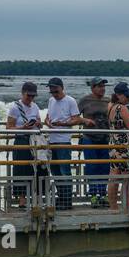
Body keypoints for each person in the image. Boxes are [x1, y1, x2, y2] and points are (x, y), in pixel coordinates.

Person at [105, 82, 129, 210]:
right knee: (128, 177)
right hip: (125, 146)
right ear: (118, 95)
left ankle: (113, 207)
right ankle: (126, 207)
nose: (128, 99)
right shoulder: (122, 108)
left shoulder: (110, 106)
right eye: (126, 96)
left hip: (113, 145)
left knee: (114, 175)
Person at [45, 77, 81, 209]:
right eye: (52, 91)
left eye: (56, 91)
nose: (54, 94)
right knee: (55, 172)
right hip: (52, 139)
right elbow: (47, 117)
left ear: (61, 88)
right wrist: (48, 123)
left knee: (65, 171)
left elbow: (76, 119)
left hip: (64, 140)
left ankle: (67, 200)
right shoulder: (50, 101)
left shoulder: (70, 101)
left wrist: (63, 124)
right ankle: (61, 198)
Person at [6, 82, 40, 209]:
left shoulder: (35, 106)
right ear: (23, 93)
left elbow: (39, 123)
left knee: (35, 168)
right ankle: (21, 199)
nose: (30, 98)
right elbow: (8, 127)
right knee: (20, 169)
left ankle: (35, 197)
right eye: (28, 96)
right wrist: (22, 127)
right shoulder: (15, 107)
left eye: (33, 96)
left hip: (34, 140)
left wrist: (37, 123)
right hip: (21, 140)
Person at [78, 78, 111, 204]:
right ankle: (93, 194)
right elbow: (75, 116)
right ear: (92, 88)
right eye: (99, 86)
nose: (102, 88)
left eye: (103, 86)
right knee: (92, 167)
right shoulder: (85, 100)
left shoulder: (108, 101)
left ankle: (103, 194)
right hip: (90, 138)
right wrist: (85, 121)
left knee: (105, 167)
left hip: (105, 138)